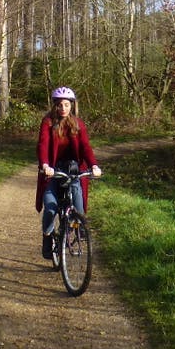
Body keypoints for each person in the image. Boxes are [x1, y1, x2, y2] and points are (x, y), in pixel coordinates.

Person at [35, 86, 102, 259]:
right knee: (50, 208)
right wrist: (45, 165)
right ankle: (47, 237)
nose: (63, 108)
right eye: (59, 105)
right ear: (54, 106)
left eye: (66, 104)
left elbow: (85, 147)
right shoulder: (48, 122)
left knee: (78, 206)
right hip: (52, 170)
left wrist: (94, 165)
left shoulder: (78, 124)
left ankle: (75, 231)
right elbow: (43, 144)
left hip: (73, 170)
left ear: (72, 105)